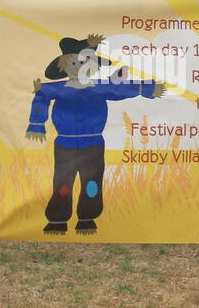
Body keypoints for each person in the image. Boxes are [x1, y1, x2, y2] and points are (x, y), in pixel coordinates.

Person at [26, 34, 167, 234]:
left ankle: (87, 218)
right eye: (74, 62)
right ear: (64, 66)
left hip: (92, 144)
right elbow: (41, 96)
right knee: (63, 182)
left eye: (85, 62)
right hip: (65, 144)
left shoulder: (99, 87)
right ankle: (57, 220)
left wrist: (147, 88)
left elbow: (121, 89)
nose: (79, 66)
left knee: (91, 182)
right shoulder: (57, 88)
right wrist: (36, 124)